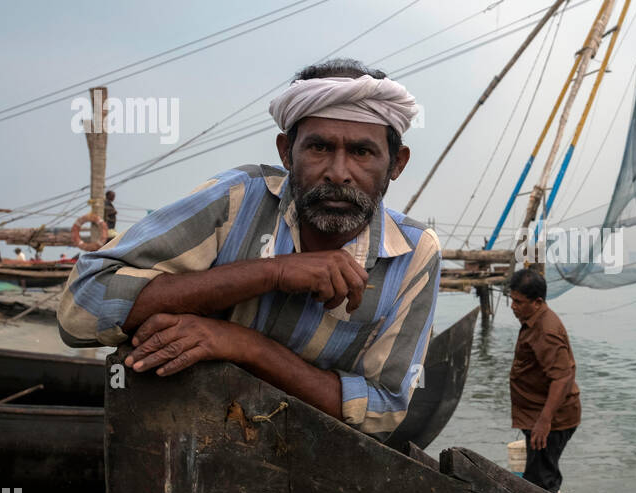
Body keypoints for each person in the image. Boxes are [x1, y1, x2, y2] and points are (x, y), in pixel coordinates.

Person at [58, 58, 441, 441]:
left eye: (362, 152)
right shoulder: (238, 199)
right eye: (319, 147)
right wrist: (271, 272)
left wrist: (244, 346)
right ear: (286, 153)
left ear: (397, 163)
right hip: (178, 441)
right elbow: (80, 308)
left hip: (308, 467)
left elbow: (383, 410)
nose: (338, 172)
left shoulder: (413, 253)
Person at [508, 268, 581, 493]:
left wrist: (544, 421)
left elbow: (562, 377)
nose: (513, 306)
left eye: (519, 302)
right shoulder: (533, 320)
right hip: (537, 415)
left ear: (537, 302)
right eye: (512, 300)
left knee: (541, 484)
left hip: (551, 419)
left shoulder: (545, 330)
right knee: (536, 478)